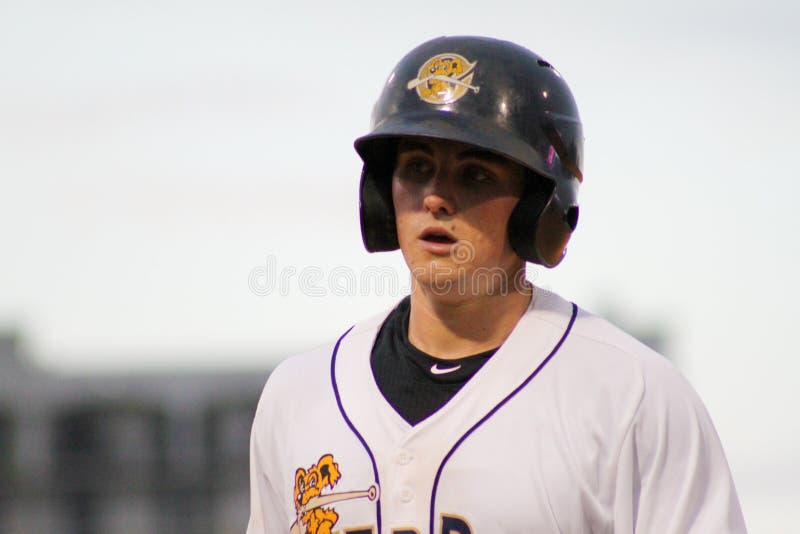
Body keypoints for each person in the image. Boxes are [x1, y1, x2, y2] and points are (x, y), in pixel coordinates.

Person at [247, 36, 746, 534]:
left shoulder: (630, 398)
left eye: (476, 174)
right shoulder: (299, 397)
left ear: (538, 205)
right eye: (417, 167)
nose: (436, 198)